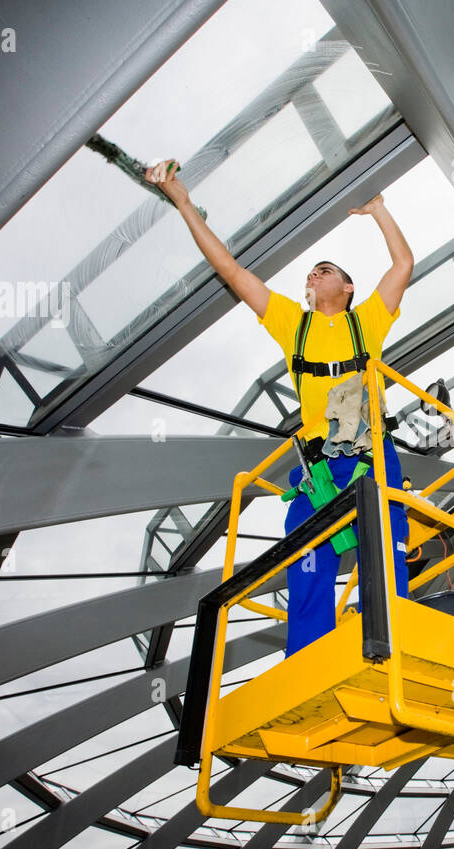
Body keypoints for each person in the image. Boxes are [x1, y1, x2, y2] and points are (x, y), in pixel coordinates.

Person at [145, 159, 414, 656]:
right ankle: (308, 655)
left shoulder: (368, 321)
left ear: (348, 289)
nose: (314, 273)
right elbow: (229, 268)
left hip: (370, 454)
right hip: (317, 465)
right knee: (305, 552)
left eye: (326, 270)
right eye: (312, 271)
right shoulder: (293, 323)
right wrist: (183, 202)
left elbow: (402, 266)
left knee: (384, 540)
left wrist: (378, 210)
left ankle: (387, 631)